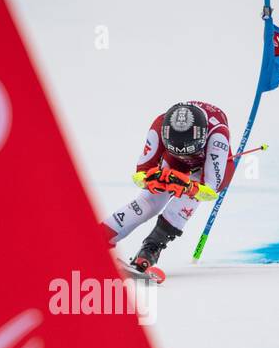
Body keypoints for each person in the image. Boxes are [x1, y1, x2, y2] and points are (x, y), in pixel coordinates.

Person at [100, 101, 234, 273]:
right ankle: (99, 237)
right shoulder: (159, 126)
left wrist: (188, 187)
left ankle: (150, 249)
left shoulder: (218, 136)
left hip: (207, 163)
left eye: (187, 150)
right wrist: (151, 179)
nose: (183, 154)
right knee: (148, 200)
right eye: (176, 149)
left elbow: (210, 191)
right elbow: (140, 174)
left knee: (183, 202)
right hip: (173, 161)